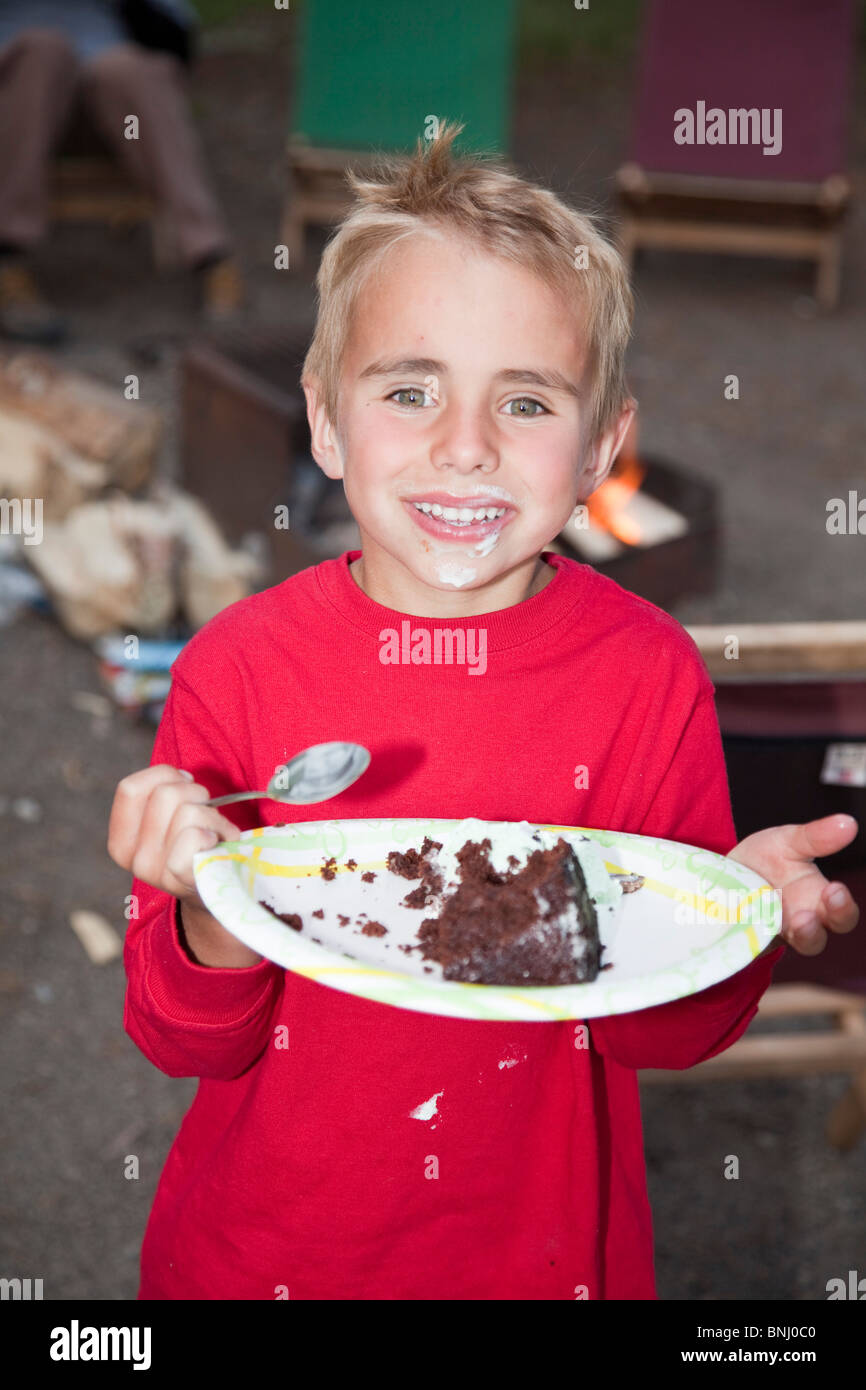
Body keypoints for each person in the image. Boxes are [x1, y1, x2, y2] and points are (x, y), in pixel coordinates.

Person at [107, 123, 859, 1300]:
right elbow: (181, 1035)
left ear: (602, 448)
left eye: (524, 404)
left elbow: (652, 1032)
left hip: (535, 1259)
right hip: (264, 1257)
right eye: (409, 390)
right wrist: (205, 907)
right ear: (323, 421)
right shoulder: (236, 670)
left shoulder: (643, 674)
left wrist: (728, 922)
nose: (462, 448)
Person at [0, 0, 242, 341]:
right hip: (18, 85)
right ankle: (7, 257)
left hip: (103, 91)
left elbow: (179, 39)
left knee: (129, 70)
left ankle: (210, 255)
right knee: (44, 51)